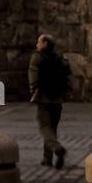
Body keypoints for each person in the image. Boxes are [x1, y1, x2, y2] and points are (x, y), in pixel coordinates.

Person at [28, 32, 71, 168]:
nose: (36, 44)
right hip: (57, 100)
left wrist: (33, 92)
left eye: (39, 42)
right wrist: (65, 94)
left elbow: (33, 76)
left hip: (44, 98)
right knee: (52, 128)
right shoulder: (60, 58)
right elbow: (67, 76)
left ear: (45, 43)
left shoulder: (37, 58)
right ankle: (47, 159)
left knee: (45, 127)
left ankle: (58, 149)